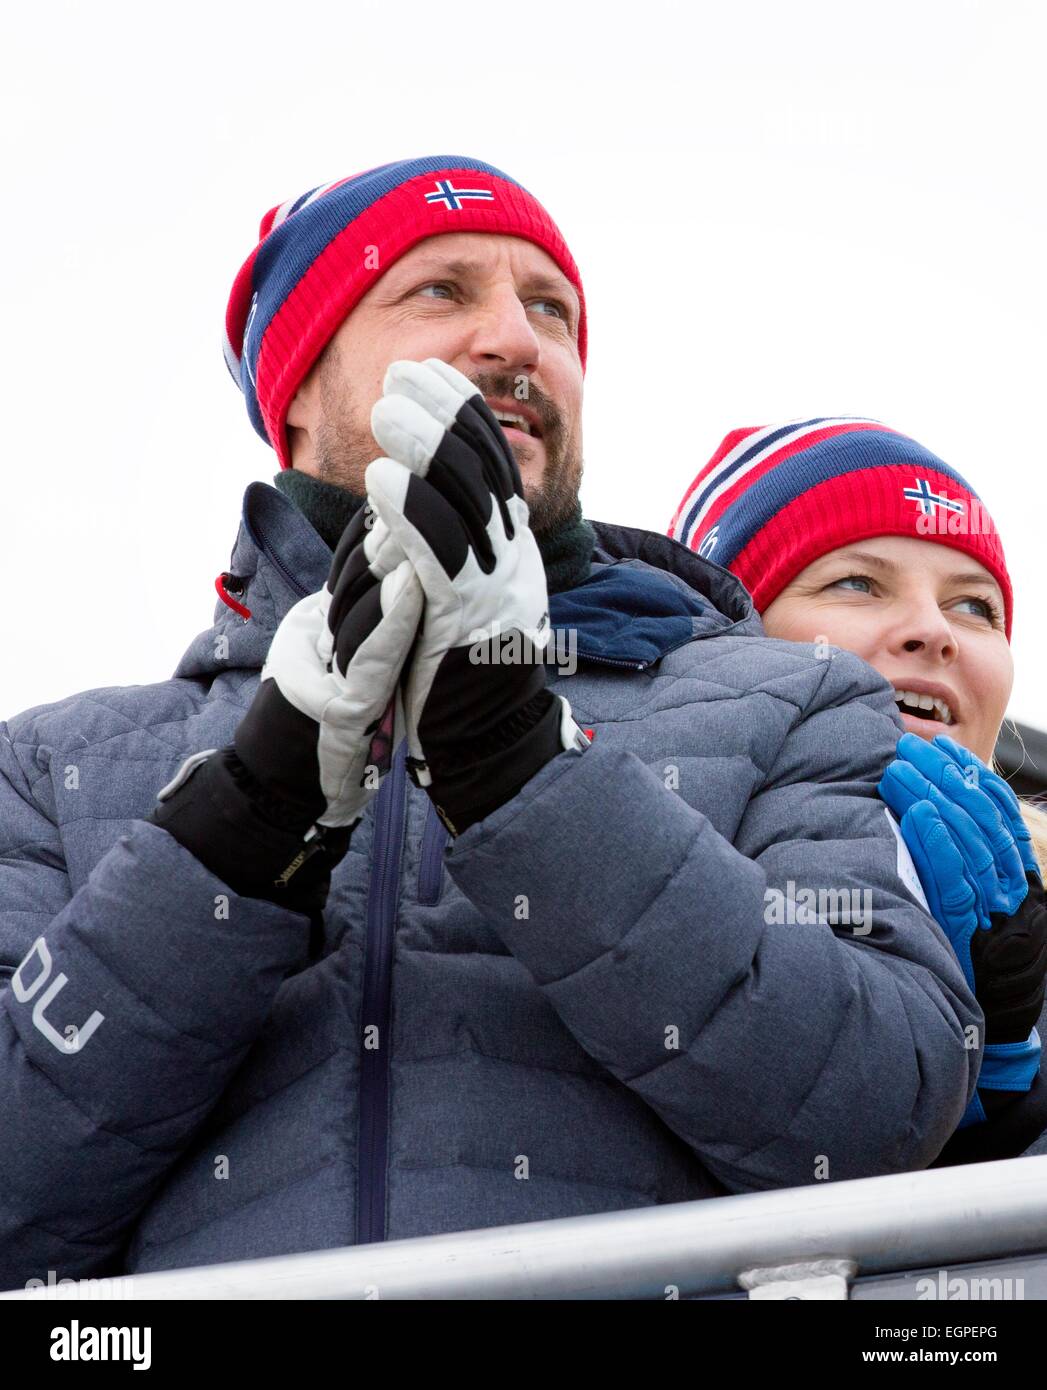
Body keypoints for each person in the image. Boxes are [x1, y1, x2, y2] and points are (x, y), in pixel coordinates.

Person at [0, 162, 980, 1289]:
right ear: (301, 389)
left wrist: (525, 766)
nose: (514, 338)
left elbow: (873, 1113)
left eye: (550, 308)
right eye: (441, 291)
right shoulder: (50, 764)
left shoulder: (786, 702)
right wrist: (243, 824)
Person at [668, 418, 1047, 1164]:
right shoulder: (605, 863)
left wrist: (1006, 1085)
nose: (933, 631)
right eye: (856, 583)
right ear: (723, 647)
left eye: (973, 605)